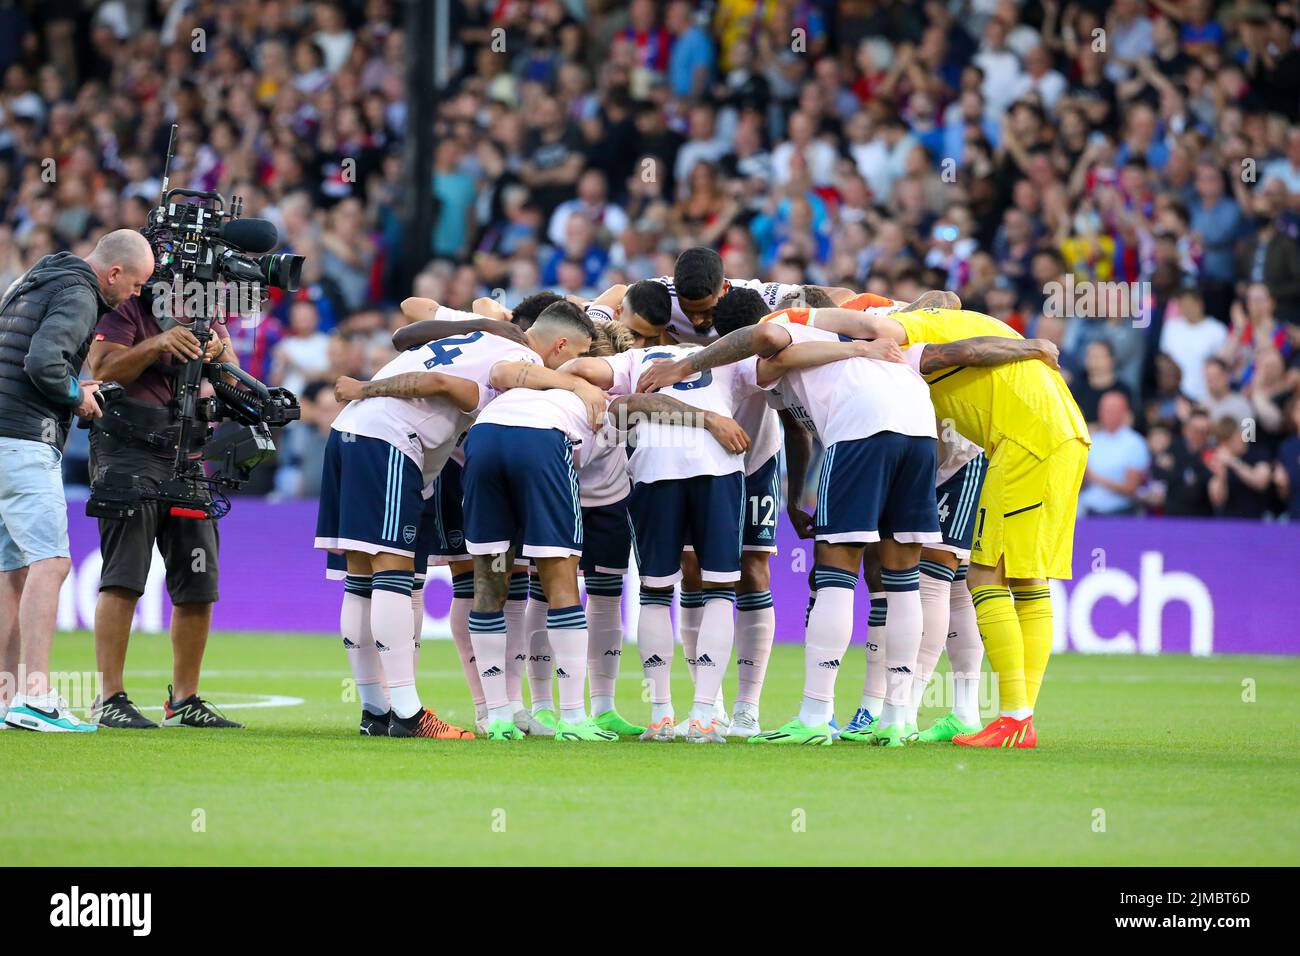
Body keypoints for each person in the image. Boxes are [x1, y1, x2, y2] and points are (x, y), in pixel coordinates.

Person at [698, 302, 1084, 749]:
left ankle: (816, 714)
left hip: (883, 434)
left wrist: (688, 363)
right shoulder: (901, 351)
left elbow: (772, 350)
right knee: (909, 580)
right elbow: (958, 349)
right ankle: (898, 717)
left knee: (838, 571)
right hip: (922, 437)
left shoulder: (792, 339)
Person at [320, 300, 606, 738]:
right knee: (392, 575)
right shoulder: (520, 357)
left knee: (360, 577)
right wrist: (365, 388)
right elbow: (444, 380)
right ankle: (408, 713)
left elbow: (416, 330)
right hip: (391, 441)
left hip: (350, 434)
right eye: (579, 355)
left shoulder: (479, 337)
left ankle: (375, 710)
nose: (582, 366)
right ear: (561, 345)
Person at [0, 229, 153, 732]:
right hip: (23, 441)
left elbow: (22, 355)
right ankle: (35, 697)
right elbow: (42, 363)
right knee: (53, 562)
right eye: (134, 285)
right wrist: (76, 395)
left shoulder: (38, 278)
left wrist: (71, 384)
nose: (135, 295)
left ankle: (6, 696)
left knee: (14, 571)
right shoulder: (81, 293)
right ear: (113, 273)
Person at [86, 277, 247, 729]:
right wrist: (157, 343)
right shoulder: (127, 306)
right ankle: (109, 698)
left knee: (198, 581)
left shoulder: (208, 316)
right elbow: (102, 368)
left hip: (189, 454)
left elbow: (237, 387)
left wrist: (222, 357)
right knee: (124, 577)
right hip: (128, 449)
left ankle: (185, 700)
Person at [1079, 392, 1150, 516]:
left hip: (1120, 513)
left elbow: (1131, 488)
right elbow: (1083, 482)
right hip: (1088, 510)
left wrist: (1094, 477)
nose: (1107, 413)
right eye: (1104, 409)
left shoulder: (1135, 443)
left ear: (1124, 413)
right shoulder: (1093, 439)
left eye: (1112, 410)